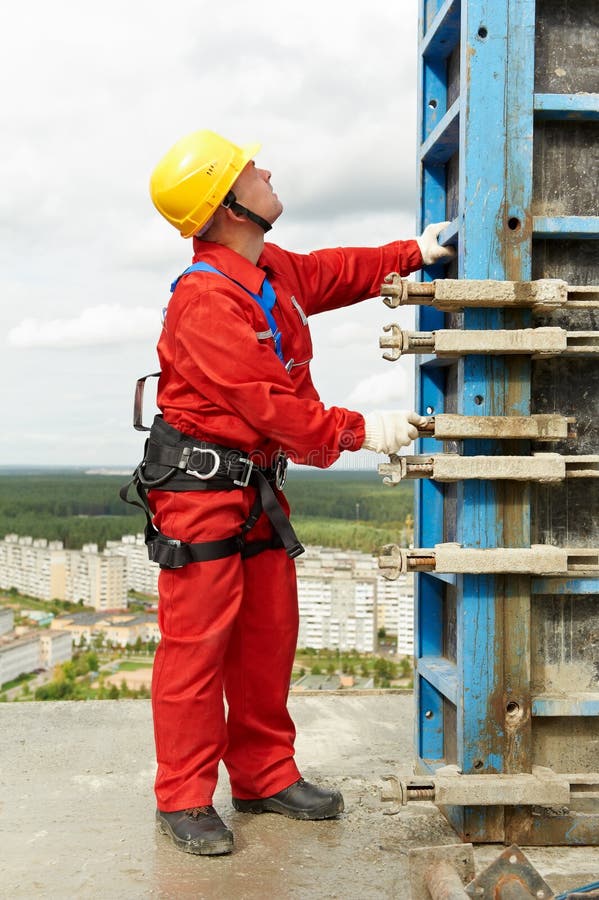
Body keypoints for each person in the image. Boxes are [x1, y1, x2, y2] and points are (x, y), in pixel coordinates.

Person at [140, 129, 454, 856]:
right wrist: (360, 429)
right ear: (228, 208)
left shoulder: (267, 268)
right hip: (199, 491)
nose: (267, 171)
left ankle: (262, 775)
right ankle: (183, 798)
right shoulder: (205, 305)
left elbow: (331, 273)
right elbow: (269, 405)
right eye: (251, 171)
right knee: (196, 650)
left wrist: (413, 251)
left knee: (267, 638)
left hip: (250, 486)